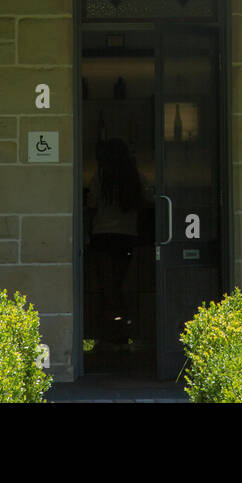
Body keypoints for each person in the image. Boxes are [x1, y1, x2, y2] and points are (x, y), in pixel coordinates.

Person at [87, 138, 143, 343]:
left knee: (106, 288)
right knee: (119, 286)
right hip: (126, 236)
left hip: (102, 236)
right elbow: (147, 198)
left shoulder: (101, 176)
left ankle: (108, 335)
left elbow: (91, 202)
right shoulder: (133, 177)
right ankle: (122, 332)